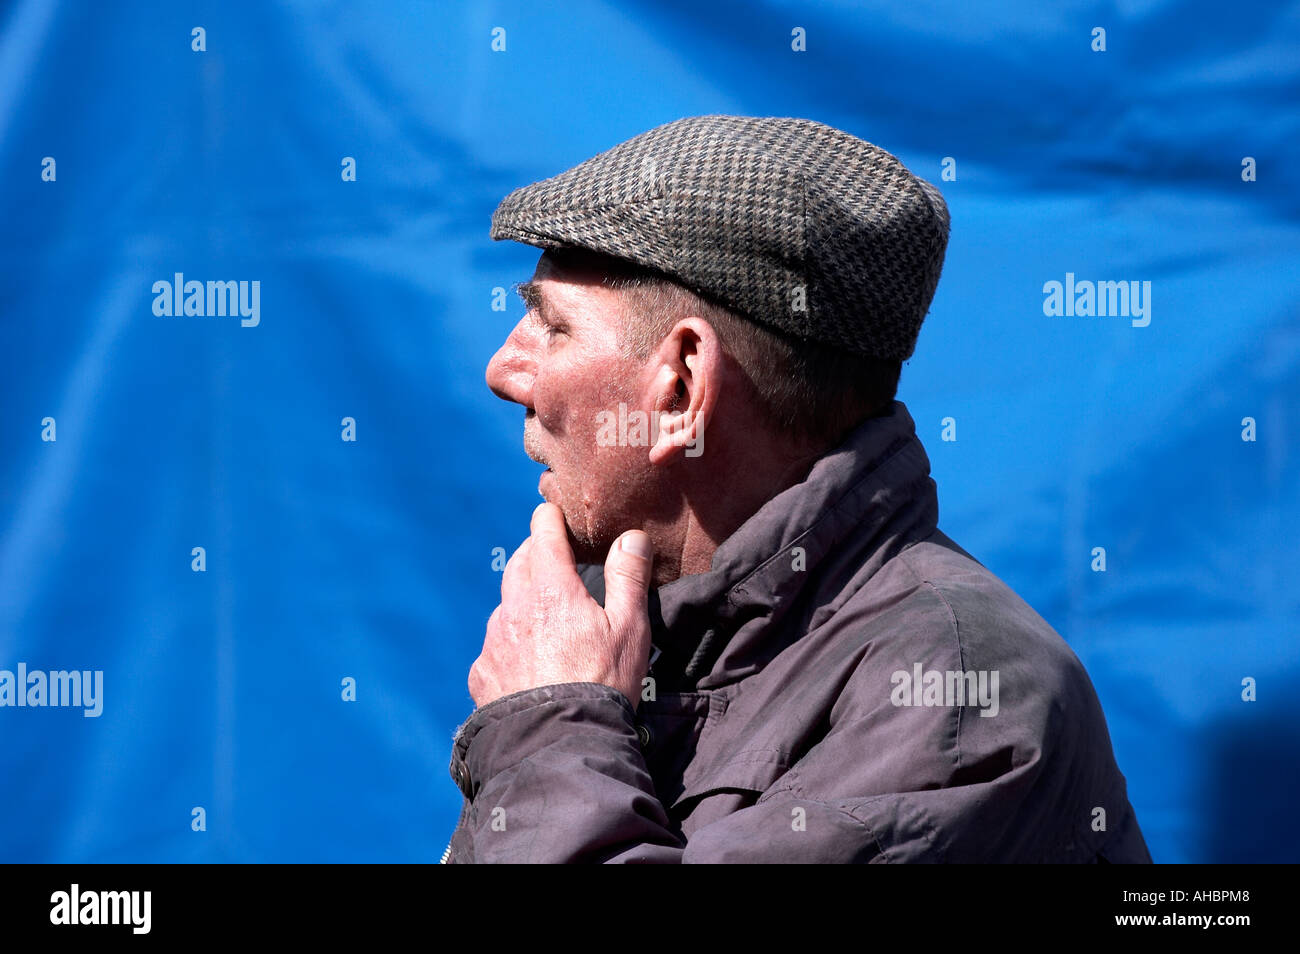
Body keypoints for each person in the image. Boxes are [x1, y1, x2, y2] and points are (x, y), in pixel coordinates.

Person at [442, 114, 1152, 863]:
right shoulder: (615, 637)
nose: (502, 370)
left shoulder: (963, 697)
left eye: (551, 327)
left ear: (681, 387)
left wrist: (548, 729)